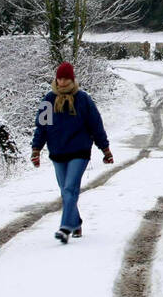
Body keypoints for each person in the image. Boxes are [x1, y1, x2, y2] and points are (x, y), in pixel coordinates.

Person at [31, 61, 113, 244]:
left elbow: (96, 126)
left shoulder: (83, 99)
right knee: (65, 191)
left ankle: (65, 227)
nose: (62, 82)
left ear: (72, 79)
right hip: (58, 152)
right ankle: (75, 222)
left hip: (79, 151)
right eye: (59, 78)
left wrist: (105, 149)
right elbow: (42, 127)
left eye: (65, 78)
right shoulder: (49, 100)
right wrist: (36, 150)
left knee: (70, 188)